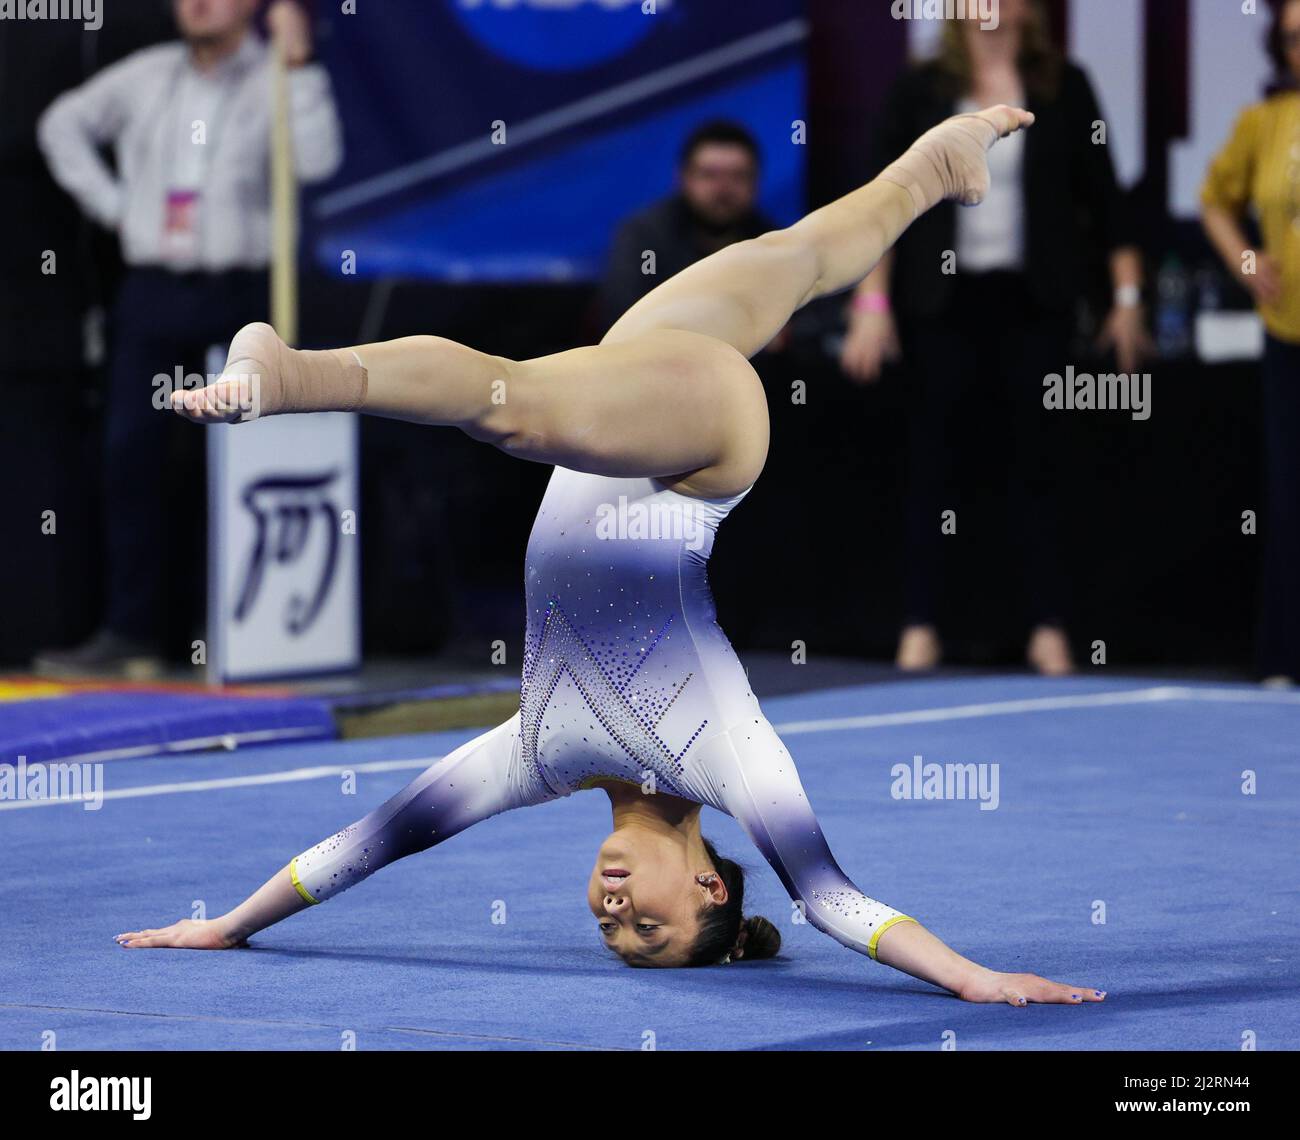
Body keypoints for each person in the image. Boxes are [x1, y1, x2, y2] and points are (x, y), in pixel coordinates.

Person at [117, 105, 1105, 1006]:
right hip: (704, 449)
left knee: (794, 257)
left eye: (612, 936)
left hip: (636, 400)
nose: (614, 912)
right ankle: (291, 375)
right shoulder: (723, 751)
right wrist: (971, 979)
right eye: (654, 927)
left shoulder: (540, 753)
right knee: (518, 406)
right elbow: (830, 898)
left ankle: (935, 165)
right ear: (710, 884)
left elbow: (370, 843)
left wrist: (228, 926)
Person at [33, 0, 342, 679]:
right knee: (131, 459)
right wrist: (117, 208)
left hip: (243, 296)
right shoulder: (145, 75)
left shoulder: (276, 78)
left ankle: (233, 631)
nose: (199, 2)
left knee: (237, 463)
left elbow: (318, 163)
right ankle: (134, 632)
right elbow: (60, 124)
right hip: (152, 290)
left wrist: (300, 66)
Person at [841, 0, 1148, 676]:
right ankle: (920, 624)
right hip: (940, 301)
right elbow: (883, 200)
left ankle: (1046, 627)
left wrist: (1126, 298)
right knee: (932, 465)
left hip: (1032, 301)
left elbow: (1103, 197)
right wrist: (871, 300)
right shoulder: (922, 87)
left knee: (1037, 464)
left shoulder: (1063, 85)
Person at [1201, 0, 1300, 687]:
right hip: (1288, 334)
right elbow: (1216, 200)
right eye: (1295, 38)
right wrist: (1245, 263)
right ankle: (1282, 662)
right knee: (1291, 498)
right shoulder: (1265, 125)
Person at [599, 121, 776, 334]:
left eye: (738, 176)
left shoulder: (772, 243)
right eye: (709, 175)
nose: (723, 189)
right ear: (683, 178)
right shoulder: (644, 237)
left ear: (756, 183)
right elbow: (623, 319)